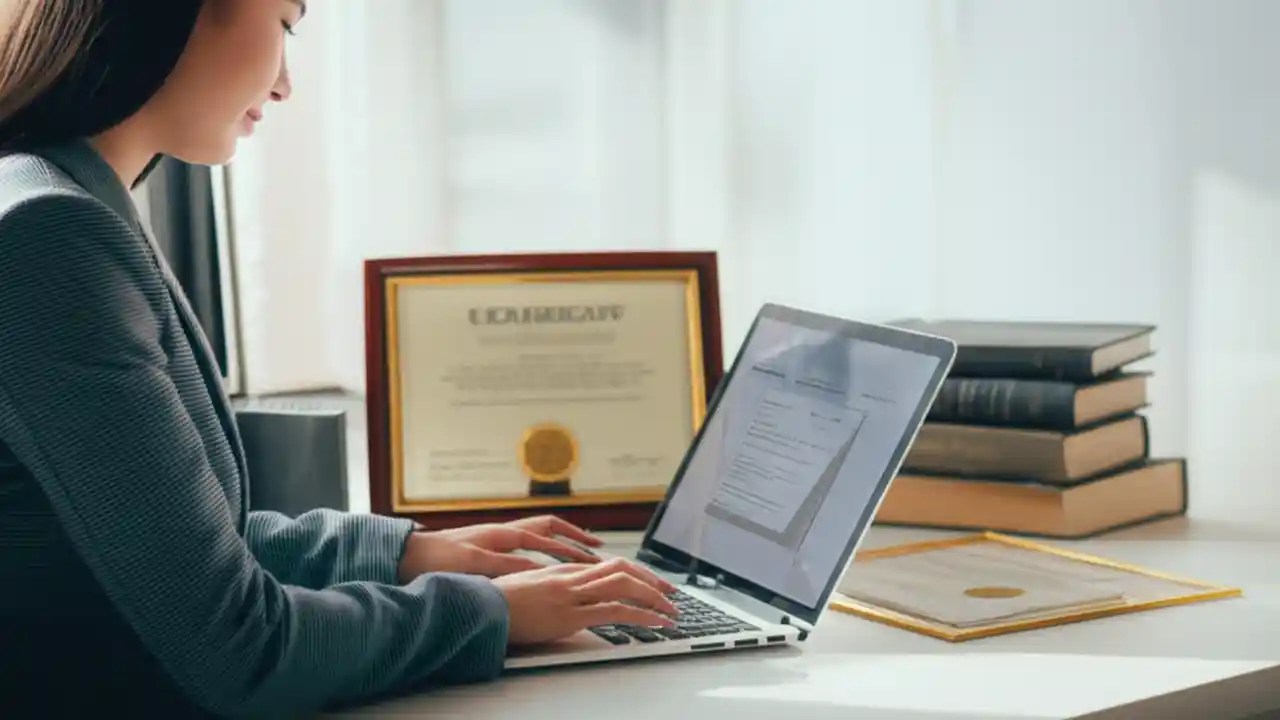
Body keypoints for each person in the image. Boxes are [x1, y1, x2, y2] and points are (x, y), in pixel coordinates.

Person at [0, 1, 677, 717]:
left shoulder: (59, 198)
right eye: (286, 25)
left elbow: (161, 551)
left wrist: (406, 553)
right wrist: (494, 613)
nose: (287, 82)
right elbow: (241, 647)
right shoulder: (54, 235)